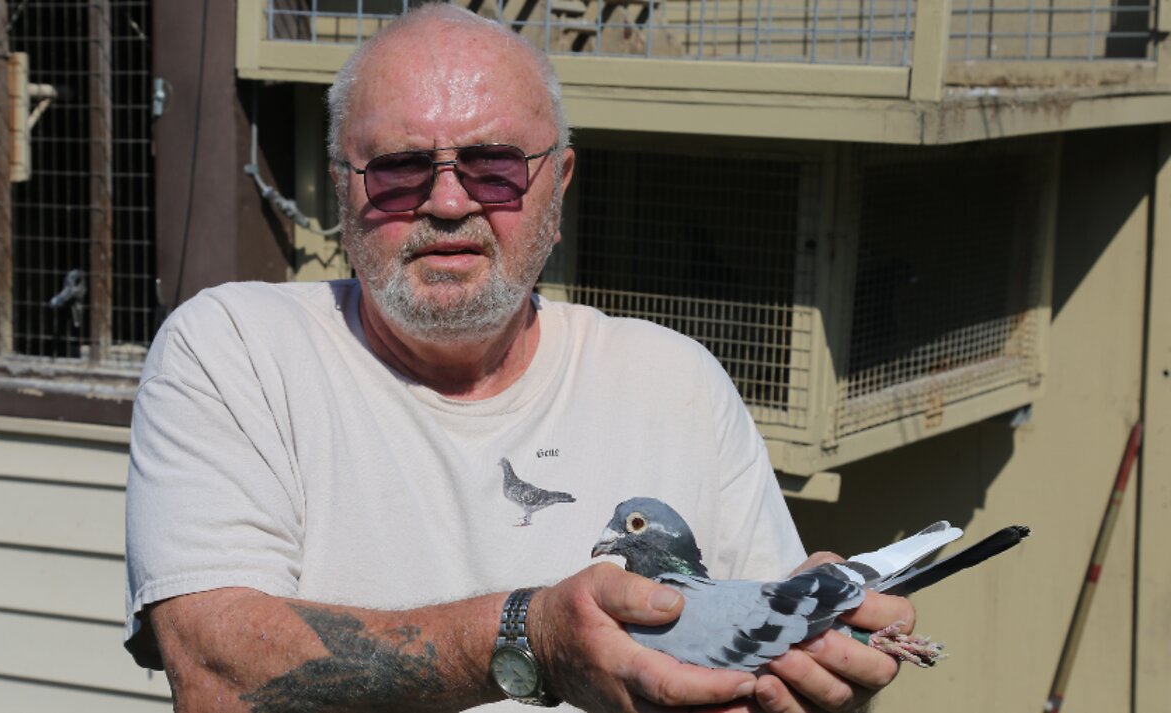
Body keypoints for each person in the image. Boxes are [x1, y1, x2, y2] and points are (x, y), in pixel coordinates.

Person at [124, 4, 916, 712]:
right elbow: (215, 672)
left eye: (493, 167)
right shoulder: (235, 349)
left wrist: (824, 681)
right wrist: (529, 638)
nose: (447, 202)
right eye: (399, 170)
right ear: (343, 189)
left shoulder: (676, 383)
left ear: (557, 186)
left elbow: (768, 667)